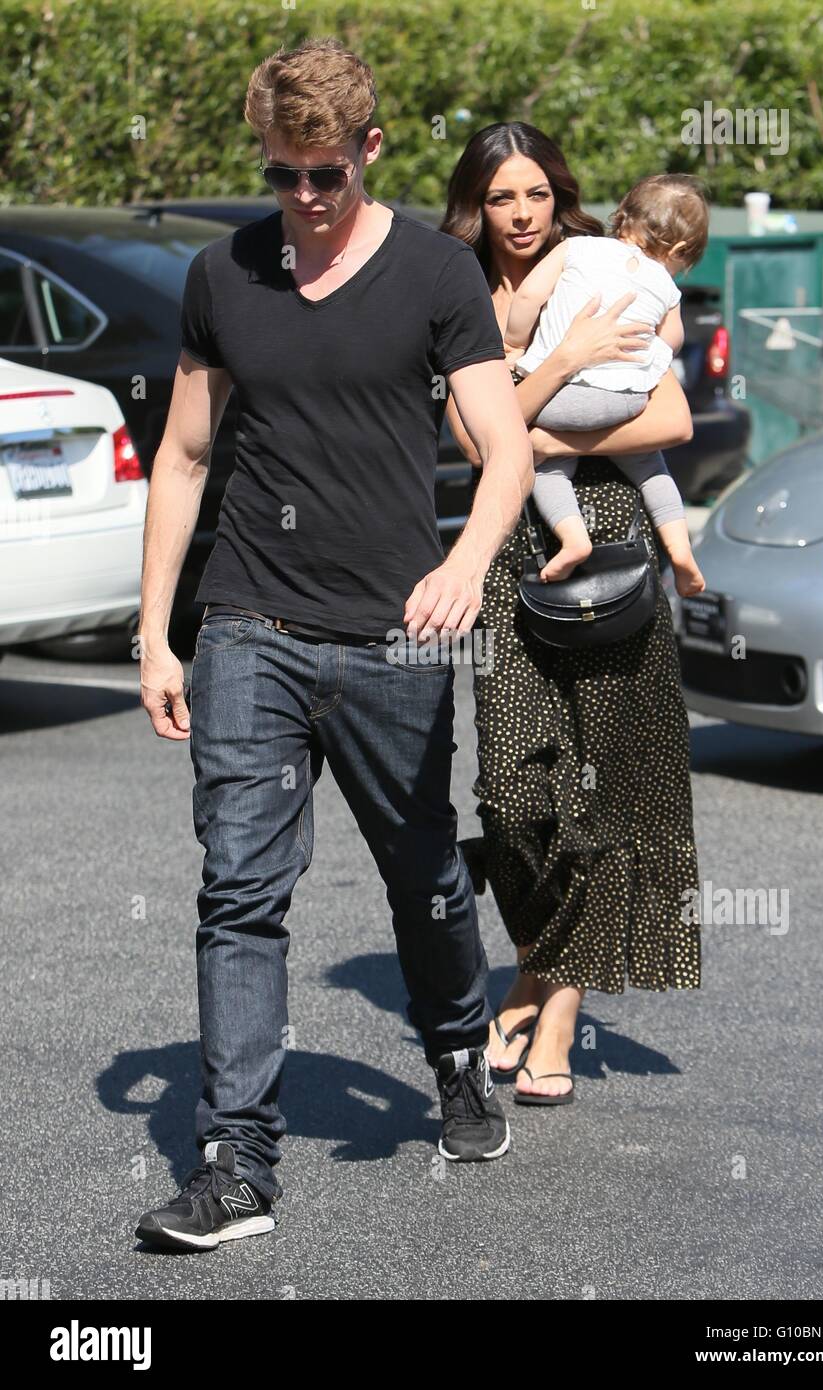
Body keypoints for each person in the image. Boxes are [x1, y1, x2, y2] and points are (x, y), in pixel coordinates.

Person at [134, 42, 533, 1251]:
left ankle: (457, 1050)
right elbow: (186, 456)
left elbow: (502, 445)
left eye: (323, 174)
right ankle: (235, 1160)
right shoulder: (222, 274)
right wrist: (157, 632)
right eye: (280, 174)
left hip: (395, 632)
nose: (302, 199)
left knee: (422, 876)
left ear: (368, 151)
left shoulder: (437, 272)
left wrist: (464, 565)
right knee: (239, 891)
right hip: (249, 621)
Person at [443, 123, 702, 1104]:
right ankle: (533, 961)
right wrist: (562, 369)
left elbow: (671, 418)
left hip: (610, 534)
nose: (520, 216)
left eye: (536, 197)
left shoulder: (601, 269)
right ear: (477, 204)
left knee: (612, 786)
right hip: (512, 548)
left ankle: (556, 1010)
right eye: (503, 199)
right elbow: (471, 444)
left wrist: (531, 417)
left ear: (560, 199)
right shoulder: (454, 290)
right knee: (511, 793)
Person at [504, 173, 707, 595]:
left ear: (623, 219)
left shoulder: (577, 248)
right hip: (626, 401)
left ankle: (574, 538)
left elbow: (527, 299)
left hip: (561, 398)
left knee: (545, 463)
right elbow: (671, 341)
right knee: (650, 465)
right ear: (681, 251)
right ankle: (682, 550)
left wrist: (516, 343)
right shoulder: (667, 288)